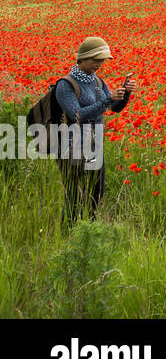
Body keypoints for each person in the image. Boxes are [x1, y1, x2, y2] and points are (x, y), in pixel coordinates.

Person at [54, 36, 135, 226]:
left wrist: (125, 93)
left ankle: (90, 230)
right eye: (95, 60)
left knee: (96, 192)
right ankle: (68, 232)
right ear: (81, 59)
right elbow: (77, 115)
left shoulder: (97, 82)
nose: (99, 65)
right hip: (71, 147)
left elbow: (114, 108)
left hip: (94, 144)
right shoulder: (66, 85)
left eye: (102, 61)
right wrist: (107, 100)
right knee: (74, 194)